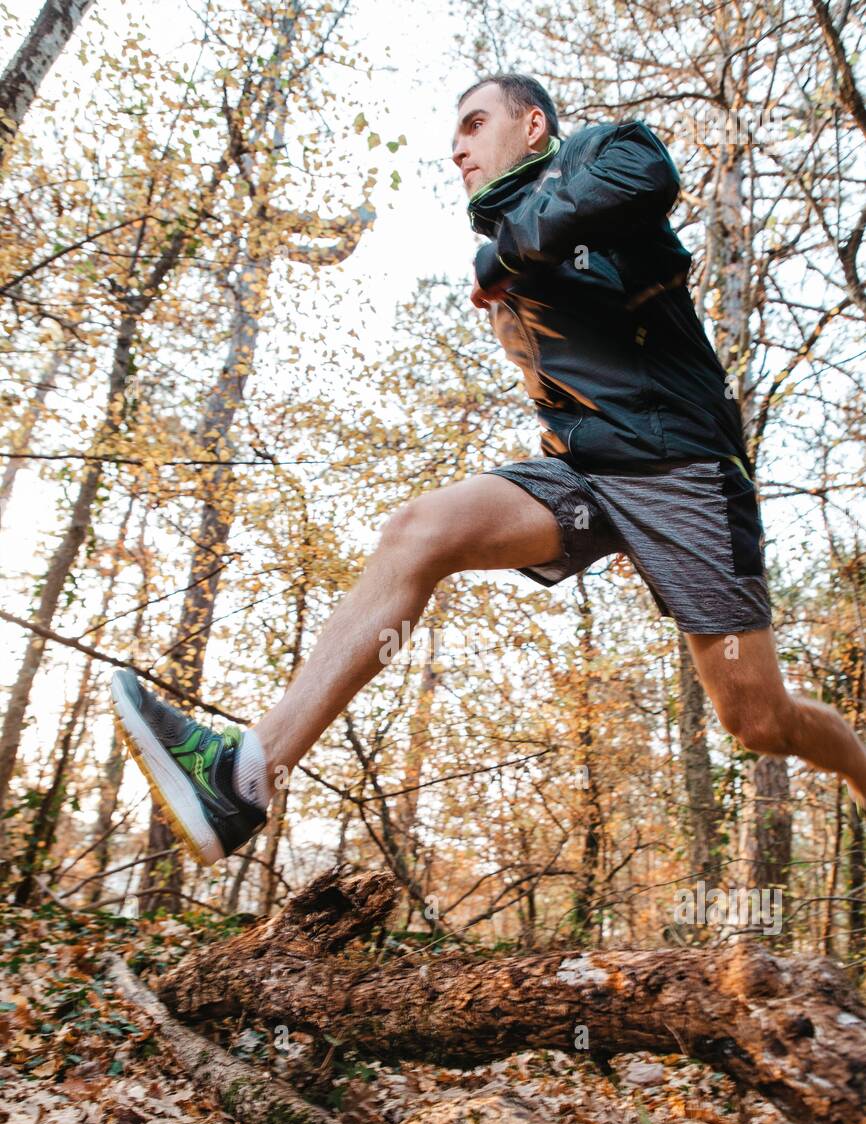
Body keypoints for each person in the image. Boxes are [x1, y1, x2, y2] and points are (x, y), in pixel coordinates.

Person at [111, 71, 866, 867]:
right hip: (581, 476)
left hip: (684, 477)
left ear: (533, 125)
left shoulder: (602, 157)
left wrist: (505, 249)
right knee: (418, 533)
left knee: (756, 718)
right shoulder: (506, 241)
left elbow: (649, 175)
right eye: (454, 138)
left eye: (474, 124)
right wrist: (503, 251)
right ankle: (245, 779)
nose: (458, 149)